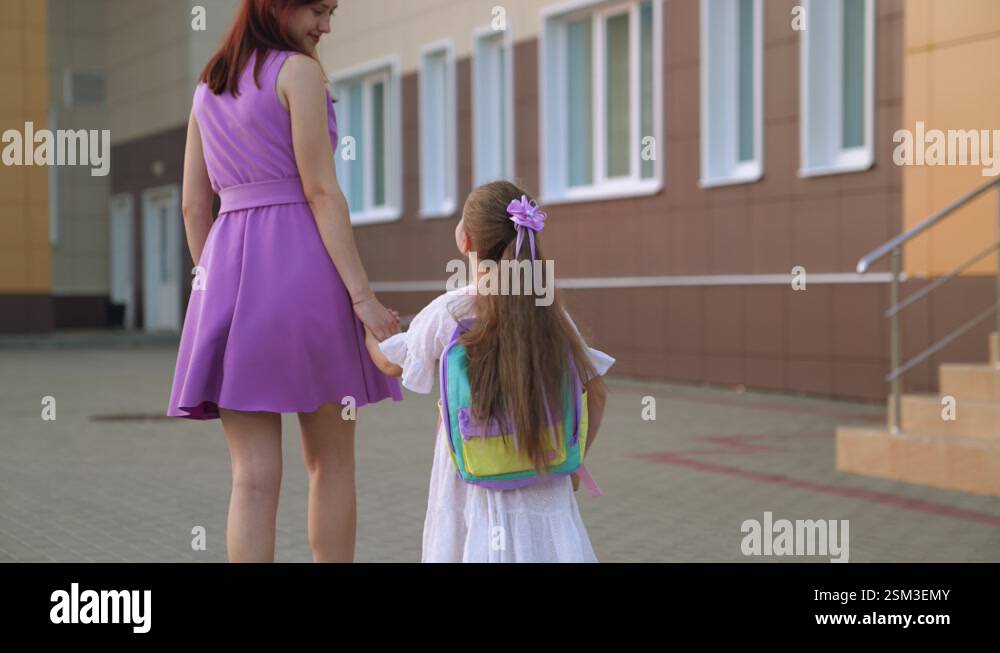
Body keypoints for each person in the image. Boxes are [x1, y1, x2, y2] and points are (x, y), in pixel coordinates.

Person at [166, 0, 402, 563]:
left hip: (228, 277)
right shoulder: (298, 72)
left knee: (250, 477)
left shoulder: (207, 89)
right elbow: (321, 190)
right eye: (318, 11)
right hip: (307, 277)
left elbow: (194, 205)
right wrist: (364, 300)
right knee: (331, 462)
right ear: (279, 6)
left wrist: (211, 283)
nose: (325, 26)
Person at [365, 180, 615, 562]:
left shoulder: (451, 311)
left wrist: (366, 328)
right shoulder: (549, 312)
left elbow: (389, 363)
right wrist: (576, 461)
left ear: (465, 241)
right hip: (544, 474)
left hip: (472, 485)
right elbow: (595, 391)